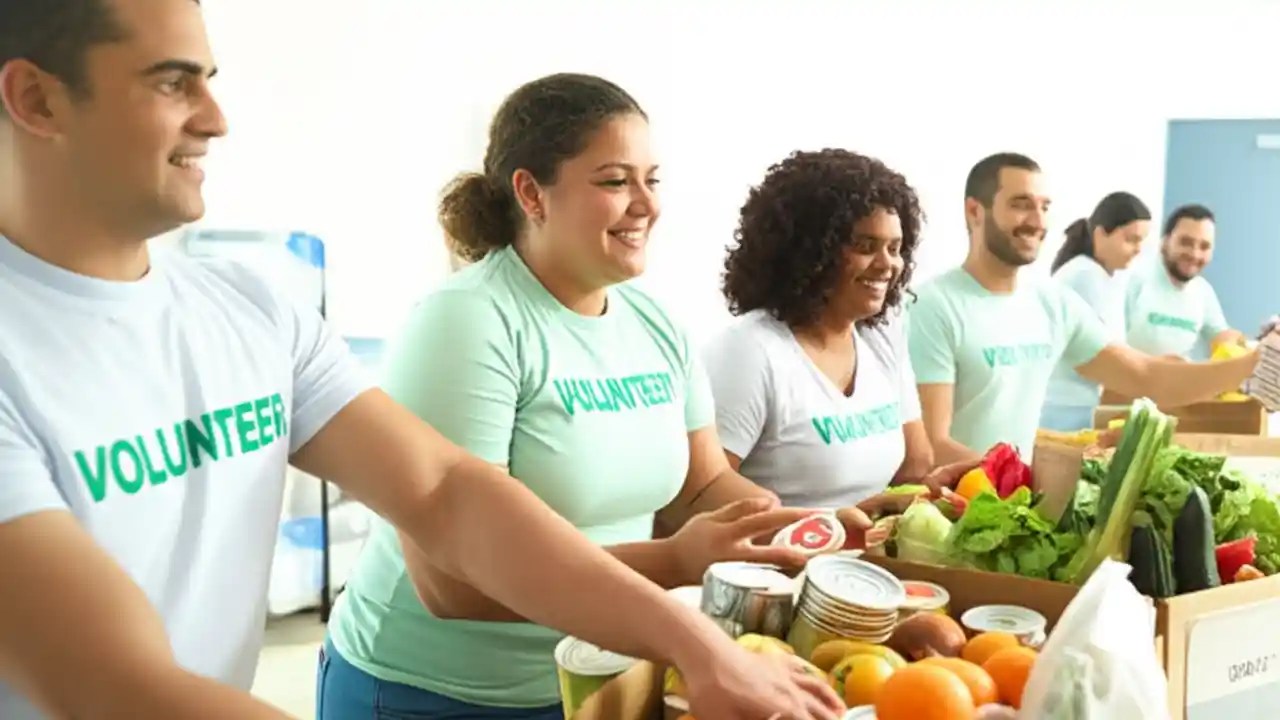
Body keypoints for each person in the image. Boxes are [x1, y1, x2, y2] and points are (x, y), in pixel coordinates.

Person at [0, 3, 843, 720]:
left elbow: (446, 494)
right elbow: (111, 682)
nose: (217, 117)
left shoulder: (252, 314)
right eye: (171, 81)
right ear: (37, 99)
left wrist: (697, 645)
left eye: (210, 80)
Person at [319, 73, 857, 719]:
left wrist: (794, 528)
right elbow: (449, 583)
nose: (646, 204)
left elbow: (703, 484)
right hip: (432, 694)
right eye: (613, 181)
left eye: (651, 180)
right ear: (531, 192)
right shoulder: (467, 322)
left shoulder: (654, 323)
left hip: (594, 678)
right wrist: (673, 561)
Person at [908, 153, 1266, 463]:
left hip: (1018, 509)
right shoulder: (934, 307)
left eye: (1044, 206)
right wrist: (1026, 477)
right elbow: (932, 447)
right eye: (1020, 204)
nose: (1036, 220)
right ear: (975, 211)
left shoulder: (1053, 305)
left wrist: (1254, 365)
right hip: (956, 516)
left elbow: (1146, 376)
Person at [703, 149, 976, 516]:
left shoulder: (881, 336)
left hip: (863, 563)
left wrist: (933, 491)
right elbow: (697, 501)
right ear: (810, 251)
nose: (886, 265)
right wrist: (834, 522)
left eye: (894, 248)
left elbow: (913, 465)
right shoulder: (750, 352)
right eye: (865, 246)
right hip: (775, 567)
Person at [1040, 192, 1152, 431]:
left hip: (1079, 406)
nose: (1138, 249)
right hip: (1064, 409)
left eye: (1142, 241)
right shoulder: (1084, 276)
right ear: (1101, 234)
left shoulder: (1105, 278)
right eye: (1131, 239)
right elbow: (1105, 353)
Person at [1125, 203, 1246, 359]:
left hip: (1177, 381)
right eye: (1185, 243)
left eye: (1204, 246)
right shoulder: (1132, 279)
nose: (1195, 254)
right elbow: (1105, 349)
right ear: (1165, 241)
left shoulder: (1203, 292)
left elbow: (1222, 339)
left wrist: (1265, 343)